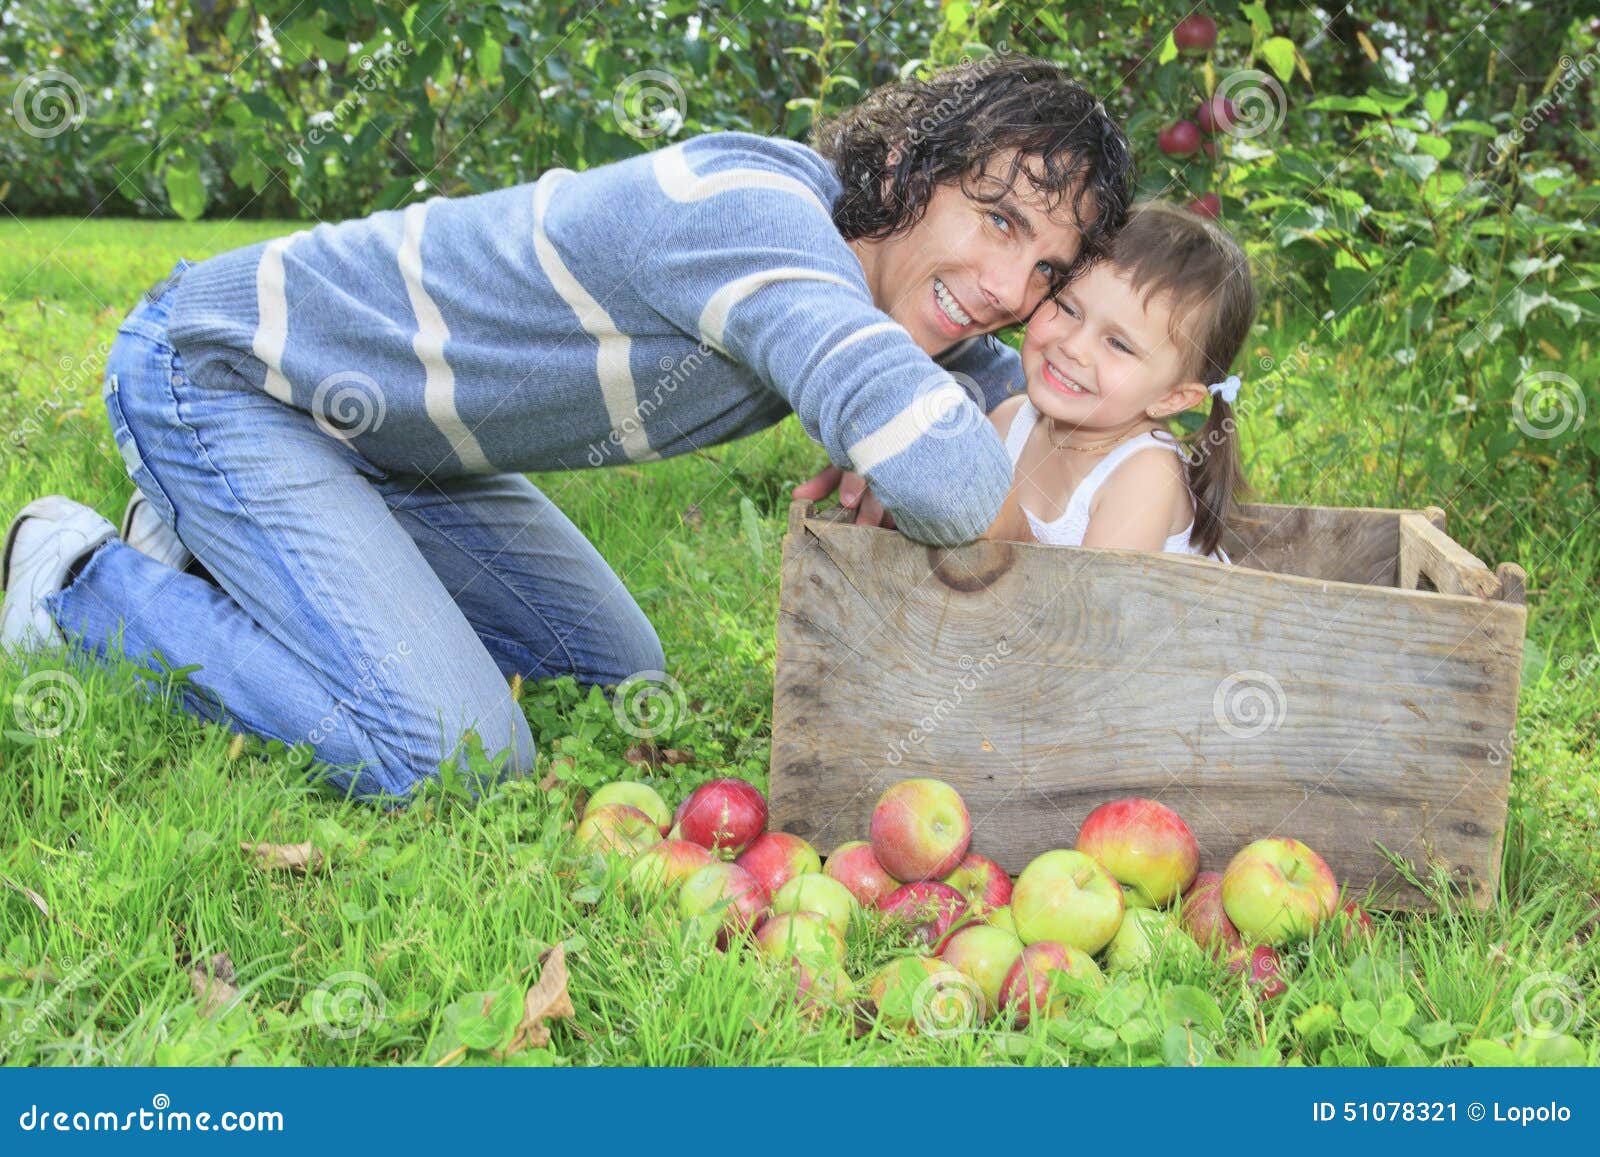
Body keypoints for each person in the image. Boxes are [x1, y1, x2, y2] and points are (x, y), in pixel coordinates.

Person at [0, 55, 1133, 804]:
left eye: (1041, 267)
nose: (1001, 286)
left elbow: (989, 416)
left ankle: (214, 539)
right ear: (901, 170)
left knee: (613, 675)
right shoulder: (758, 220)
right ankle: (73, 578)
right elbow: (949, 476)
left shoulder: (895, 300)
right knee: (453, 760)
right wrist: (930, 452)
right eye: (993, 220)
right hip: (227, 371)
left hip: (393, 449)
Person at [982, 201, 1255, 559]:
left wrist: (1014, 532)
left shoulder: (1145, 476)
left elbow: (1095, 607)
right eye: (1067, 308)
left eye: (1118, 344)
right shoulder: (1008, 422)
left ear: (1173, 398)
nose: (1073, 346)